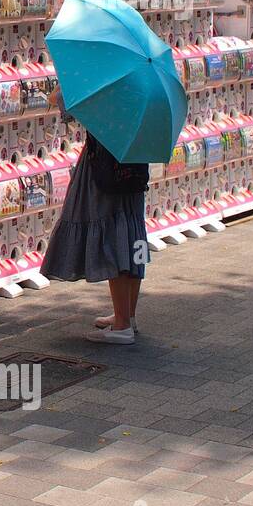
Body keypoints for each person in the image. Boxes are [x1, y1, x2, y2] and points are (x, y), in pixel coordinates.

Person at [40, 91, 151, 344]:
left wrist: (57, 92)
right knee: (132, 237)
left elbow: (64, 102)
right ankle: (127, 316)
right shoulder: (141, 88)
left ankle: (121, 326)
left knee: (113, 240)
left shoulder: (104, 86)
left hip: (106, 170)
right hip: (133, 168)